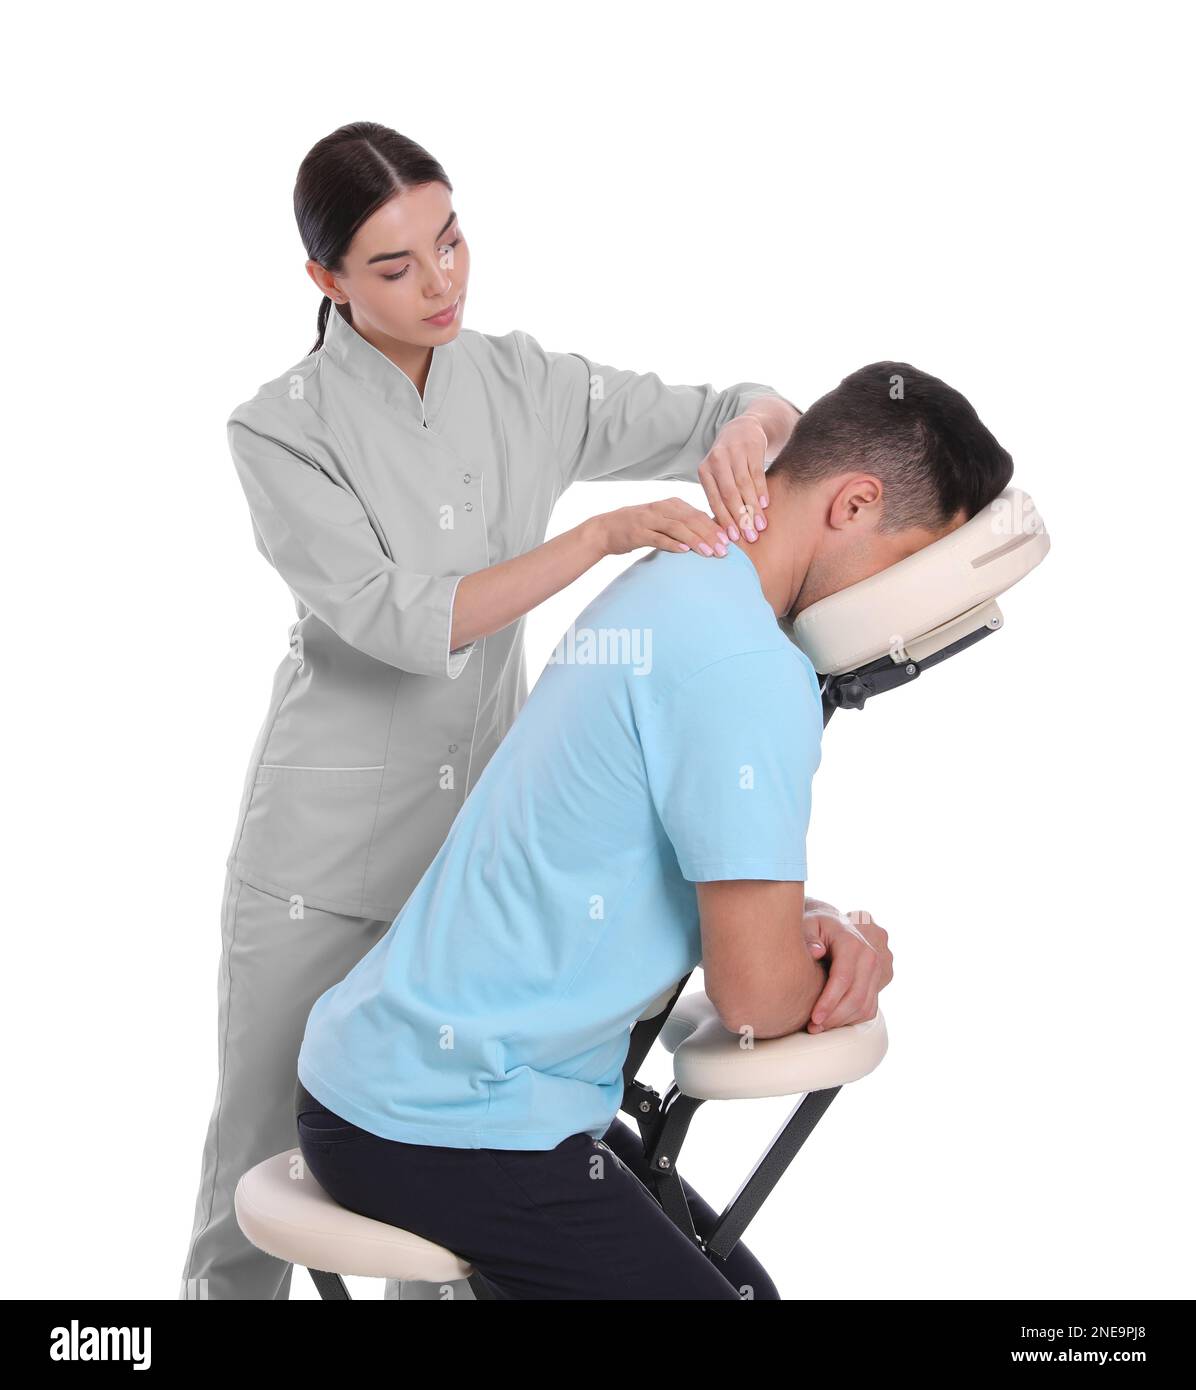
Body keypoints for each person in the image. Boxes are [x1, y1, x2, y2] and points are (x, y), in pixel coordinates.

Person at [179, 120, 800, 1300]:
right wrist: (604, 533)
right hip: (314, 868)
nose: (440, 282)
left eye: (451, 240)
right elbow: (401, 617)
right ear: (325, 281)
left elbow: (739, 401)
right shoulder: (279, 428)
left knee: (440, 1192)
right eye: (394, 267)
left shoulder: (520, 379)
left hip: (462, 876)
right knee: (250, 1182)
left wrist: (749, 434)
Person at [292, 360, 1015, 1300]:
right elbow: (755, 999)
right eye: (912, 561)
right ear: (854, 503)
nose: (897, 609)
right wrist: (852, 958)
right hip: (440, 1123)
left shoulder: (684, 574)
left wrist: (803, 923)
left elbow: (651, 864)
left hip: (402, 1084)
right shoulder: (751, 667)